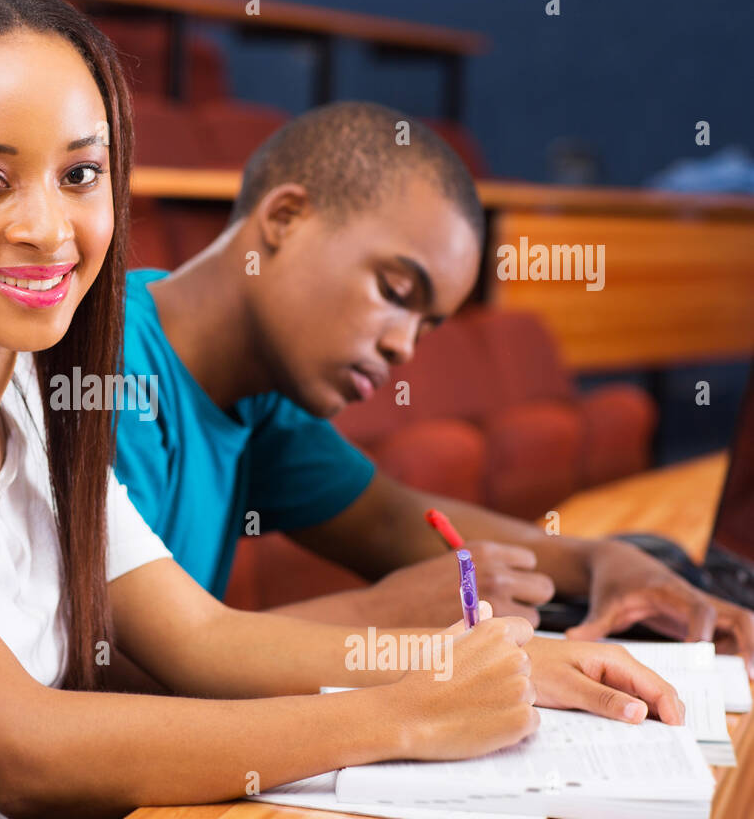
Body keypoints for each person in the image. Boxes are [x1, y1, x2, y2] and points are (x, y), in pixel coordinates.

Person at [0, 0, 681, 819]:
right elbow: (23, 747)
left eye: (80, 173)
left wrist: (502, 660)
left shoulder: (23, 406)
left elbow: (203, 637)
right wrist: (404, 713)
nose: (50, 228)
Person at [113, 102, 754, 676]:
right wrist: (383, 616)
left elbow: (391, 520)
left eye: (428, 324)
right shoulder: (114, 368)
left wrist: (600, 561)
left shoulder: (260, 395)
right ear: (285, 217)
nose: (404, 348)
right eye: (396, 293)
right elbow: (113, 679)